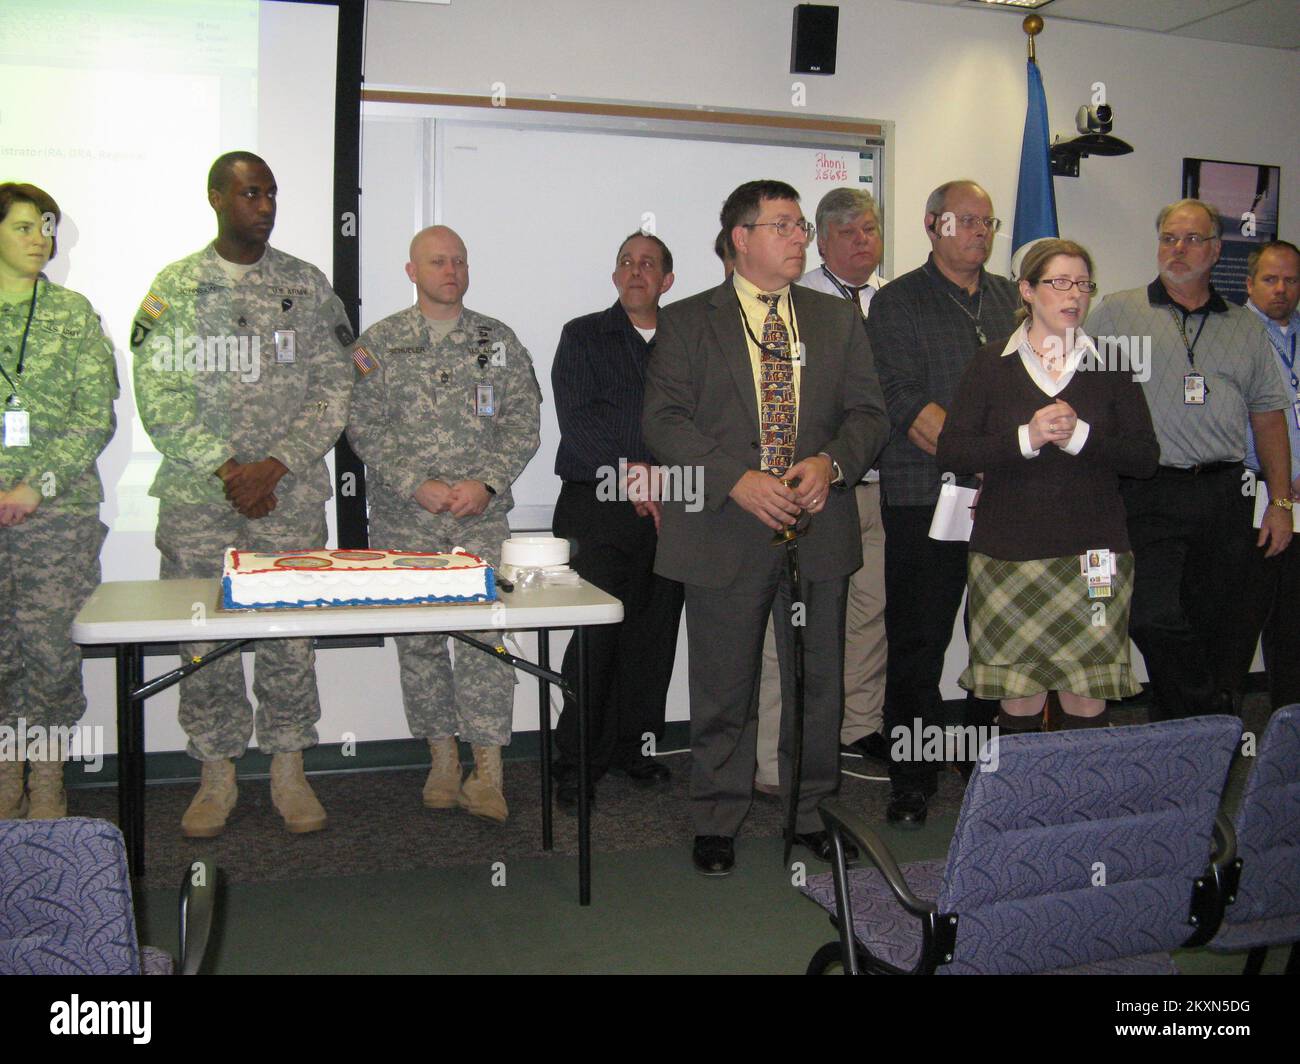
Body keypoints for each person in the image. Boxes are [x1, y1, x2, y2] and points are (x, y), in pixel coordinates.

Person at [642, 179, 889, 875]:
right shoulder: (689, 320)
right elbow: (663, 422)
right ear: (740, 238)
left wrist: (831, 464)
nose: (799, 238)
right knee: (724, 686)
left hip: (816, 525)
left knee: (817, 682)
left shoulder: (835, 319)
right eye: (782, 226)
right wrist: (736, 480)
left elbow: (870, 414)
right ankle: (717, 815)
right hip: (724, 527)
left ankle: (811, 811)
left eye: (800, 226)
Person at [131, 152, 355, 837]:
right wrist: (229, 468)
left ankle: (288, 767)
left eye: (271, 193)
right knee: (205, 639)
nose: (265, 205)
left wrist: (276, 465)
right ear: (216, 198)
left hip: (287, 498)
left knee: (289, 638)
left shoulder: (307, 285)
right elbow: (158, 396)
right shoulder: (175, 288)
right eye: (251, 193)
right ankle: (216, 771)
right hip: (201, 502)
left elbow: (335, 385)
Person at [347, 225, 541, 823]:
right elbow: (361, 426)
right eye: (437, 261)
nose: (450, 270)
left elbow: (524, 422)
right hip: (407, 520)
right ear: (412, 272)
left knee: (486, 637)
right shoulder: (377, 344)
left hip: (480, 519)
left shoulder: (498, 340)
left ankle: (487, 769)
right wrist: (415, 482)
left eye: (459, 260)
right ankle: (440, 758)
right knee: (421, 643)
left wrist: (486, 482)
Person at [936, 239, 1159, 734]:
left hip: (1094, 555)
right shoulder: (990, 363)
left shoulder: (1113, 364)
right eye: (1059, 282)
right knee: (1019, 698)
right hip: (1008, 555)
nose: (1073, 295)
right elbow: (953, 452)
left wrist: (1081, 437)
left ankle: (1081, 807)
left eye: (1082, 284)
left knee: (1086, 694)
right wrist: (1028, 437)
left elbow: (1145, 459)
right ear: (1028, 290)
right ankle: (1022, 806)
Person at [1087, 200, 1293, 722]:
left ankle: (1180, 733)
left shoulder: (1243, 328)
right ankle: (1210, 714)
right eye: (1169, 238)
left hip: (1225, 493)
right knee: (1150, 616)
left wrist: (1281, 503)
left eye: (1192, 239)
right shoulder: (1117, 312)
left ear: (1217, 250)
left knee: (1217, 624)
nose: (1178, 250)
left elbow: (1268, 417)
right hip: (1146, 490)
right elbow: (1081, 395)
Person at [866, 179, 1019, 827]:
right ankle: (912, 777)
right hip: (925, 499)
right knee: (918, 646)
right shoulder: (897, 302)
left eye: (989, 222)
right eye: (967, 221)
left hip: (1012, 504)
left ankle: (987, 759)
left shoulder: (1016, 299)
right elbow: (902, 400)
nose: (981, 232)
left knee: (1000, 640)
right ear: (933, 225)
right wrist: (980, 458)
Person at [754, 187, 890, 795]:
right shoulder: (795, 301)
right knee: (789, 638)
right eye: (851, 232)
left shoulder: (889, 302)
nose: (865, 242)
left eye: (872, 231)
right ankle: (772, 764)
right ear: (824, 237)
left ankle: (854, 731)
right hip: (804, 495)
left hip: (877, 485)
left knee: (865, 620)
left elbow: (874, 404)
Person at [549, 231, 683, 810]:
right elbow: (577, 419)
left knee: (653, 637)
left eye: (649, 264)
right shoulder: (583, 335)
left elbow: (703, 421)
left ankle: (636, 749)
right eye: (626, 262)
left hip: (676, 506)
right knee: (595, 638)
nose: (636, 271)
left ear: (667, 280)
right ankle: (576, 763)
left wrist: (663, 480)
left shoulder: (689, 339)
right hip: (597, 506)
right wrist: (633, 474)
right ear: (614, 276)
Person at [0, 183, 118, 820]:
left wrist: (32, 488)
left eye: (46, 227)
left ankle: (46, 778)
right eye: (23, 227)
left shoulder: (73, 315)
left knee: (50, 649)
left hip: (56, 517)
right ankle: (2, 775)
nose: (39, 239)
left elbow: (93, 415)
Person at [1232, 240, 1300, 709]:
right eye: (1271, 279)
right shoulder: (1233, 336)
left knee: (1293, 623)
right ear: (1249, 283)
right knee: (1240, 616)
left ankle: (1288, 723)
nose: (1282, 289)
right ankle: (1224, 727)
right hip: (1251, 493)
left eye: (1292, 280)